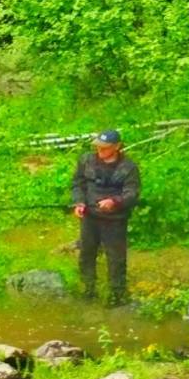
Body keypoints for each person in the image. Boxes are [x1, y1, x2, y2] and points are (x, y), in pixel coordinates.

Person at [71, 129, 141, 305]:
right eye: (98, 146)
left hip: (114, 220)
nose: (100, 150)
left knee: (116, 257)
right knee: (87, 252)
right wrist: (79, 202)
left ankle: (117, 294)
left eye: (104, 147)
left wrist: (114, 202)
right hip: (89, 216)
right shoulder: (86, 160)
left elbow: (132, 194)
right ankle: (88, 288)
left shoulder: (129, 168)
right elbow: (77, 184)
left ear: (117, 147)